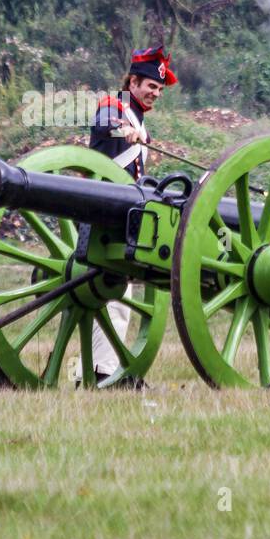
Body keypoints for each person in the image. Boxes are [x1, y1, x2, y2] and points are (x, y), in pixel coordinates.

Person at [86, 45, 176, 384]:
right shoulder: (114, 106)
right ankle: (104, 371)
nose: (155, 93)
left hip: (125, 214)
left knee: (117, 298)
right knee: (118, 298)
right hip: (108, 213)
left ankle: (92, 370)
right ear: (134, 81)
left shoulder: (138, 116)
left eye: (159, 89)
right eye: (151, 86)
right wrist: (127, 132)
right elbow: (105, 125)